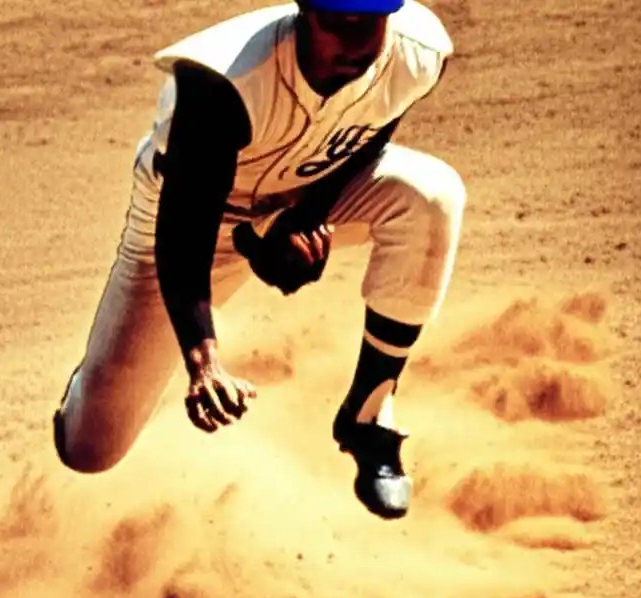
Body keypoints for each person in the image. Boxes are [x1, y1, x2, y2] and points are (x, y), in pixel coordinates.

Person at [52, 0, 465, 520]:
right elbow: (183, 238)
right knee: (91, 449)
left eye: (370, 21)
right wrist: (204, 364)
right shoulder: (224, 85)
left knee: (432, 195)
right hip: (187, 230)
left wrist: (303, 221)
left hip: (293, 197)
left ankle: (369, 415)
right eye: (338, 24)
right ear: (304, 10)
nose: (356, 41)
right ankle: (90, 380)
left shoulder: (419, 54)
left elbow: (368, 134)